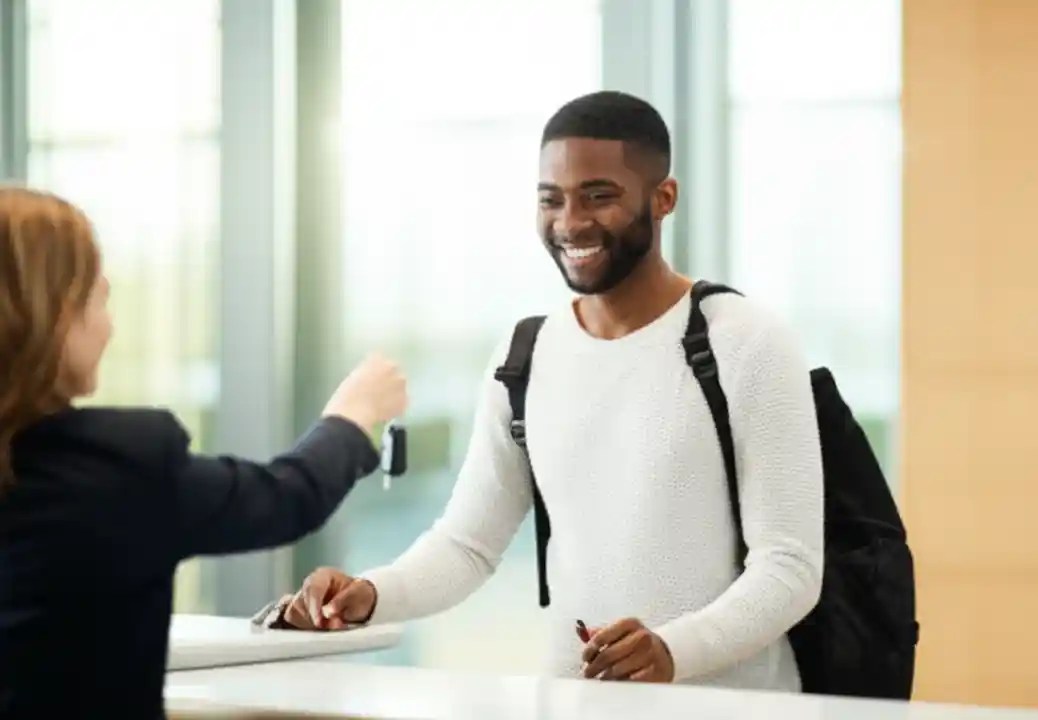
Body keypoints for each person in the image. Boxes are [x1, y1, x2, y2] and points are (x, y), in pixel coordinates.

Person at [284, 91, 824, 691]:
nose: (571, 222)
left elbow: (790, 565)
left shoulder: (746, 340)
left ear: (663, 198)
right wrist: (371, 593)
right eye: (552, 199)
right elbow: (469, 544)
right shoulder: (526, 356)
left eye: (600, 196)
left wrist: (671, 650)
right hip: (574, 702)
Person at [0, 187, 409, 718]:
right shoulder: (117, 468)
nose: (108, 315)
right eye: (96, 297)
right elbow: (288, 497)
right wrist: (353, 417)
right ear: (51, 319)